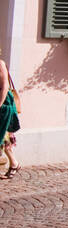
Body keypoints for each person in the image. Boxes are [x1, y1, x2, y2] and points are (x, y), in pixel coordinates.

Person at [0, 50, 21, 179]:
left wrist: (0, 104)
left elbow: (5, 86)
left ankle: (14, 163)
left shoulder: (0, 64)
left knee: (2, 135)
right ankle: (14, 163)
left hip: (4, 105)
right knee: (4, 137)